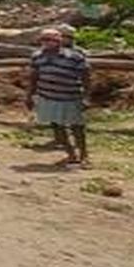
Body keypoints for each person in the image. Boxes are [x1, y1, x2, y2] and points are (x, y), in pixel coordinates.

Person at [27, 27, 91, 165]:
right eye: (44, 40)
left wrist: (86, 96)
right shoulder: (37, 56)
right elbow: (34, 77)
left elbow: (86, 77)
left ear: (59, 41)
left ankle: (84, 155)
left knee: (77, 126)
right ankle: (71, 154)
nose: (48, 43)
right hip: (48, 96)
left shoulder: (75, 57)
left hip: (71, 96)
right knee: (57, 127)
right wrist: (29, 96)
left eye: (51, 40)